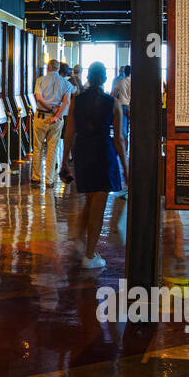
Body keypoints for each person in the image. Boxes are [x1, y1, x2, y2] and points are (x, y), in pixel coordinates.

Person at [70, 62, 128, 269]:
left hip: (83, 152)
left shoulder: (76, 101)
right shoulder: (112, 103)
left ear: (88, 76)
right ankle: (90, 254)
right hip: (103, 153)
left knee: (90, 200)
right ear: (104, 78)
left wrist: (65, 162)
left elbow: (70, 131)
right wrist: (125, 167)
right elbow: (119, 139)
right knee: (98, 206)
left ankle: (78, 241)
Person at [31, 59, 71, 188]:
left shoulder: (40, 80)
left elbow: (39, 98)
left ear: (48, 67)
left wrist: (50, 109)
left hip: (41, 116)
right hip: (57, 120)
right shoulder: (66, 83)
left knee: (37, 147)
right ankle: (49, 179)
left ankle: (36, 177)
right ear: (58, 69)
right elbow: (66, 102)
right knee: (52, 149)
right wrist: (57, 114)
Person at [110, 64, 132, 145]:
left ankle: (124, 146)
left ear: (124, 72)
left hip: (122, 105)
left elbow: (114, 95)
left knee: (123, 129)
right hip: (132, 106)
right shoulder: (134, 82)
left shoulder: (119, 81)